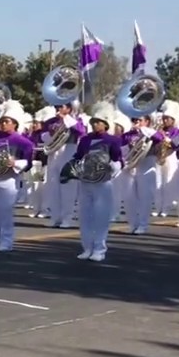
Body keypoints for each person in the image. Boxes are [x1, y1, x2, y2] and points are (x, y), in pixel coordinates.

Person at [65, 102, 123, 261]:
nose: (94, 125)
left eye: (98, 122)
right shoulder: (85, 140)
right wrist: (71, 169)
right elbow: (78, 157)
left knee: (101, 216)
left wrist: (110, 167)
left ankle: (99, 249)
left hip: (102, 182)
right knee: (85, 216)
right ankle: (87, 247)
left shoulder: (113, 140)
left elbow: (118, 160)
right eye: (93, 122)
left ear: (105, 124)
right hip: (85, 181)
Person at [0, 101, 35, 252]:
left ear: (15, 124)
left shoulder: (23, 142)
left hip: (9, 179)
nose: (3, 124)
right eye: (1, 121)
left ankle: (7, 241)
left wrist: (15, 163)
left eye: (6, 121)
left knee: (5, 211)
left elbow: (28, 162)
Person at [41, 101, 85, 228]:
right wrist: (50, 135)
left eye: (61, 107)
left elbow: (82, 131)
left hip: (69, 151)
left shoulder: (77, 120)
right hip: (53, 152)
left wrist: (66, 119)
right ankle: (55, 217)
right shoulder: (50, 121)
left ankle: (67, 218)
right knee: (53, 186)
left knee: (68, 186)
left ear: (69, 109)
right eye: (56, 106)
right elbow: (42, 136)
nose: (58, 109)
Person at [120, 112, 163, 234]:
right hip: (130, 166)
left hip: (146, 165)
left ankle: (143, 225)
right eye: (134, 120)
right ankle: (133, 224)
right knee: (129, 198)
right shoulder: (126, 135)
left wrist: (144, 130)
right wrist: (129, 147)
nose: (136, 123)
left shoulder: (150, 133)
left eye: (139, 120)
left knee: (145, 197)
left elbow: (160, 138)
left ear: (147, 122)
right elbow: (119, 150)